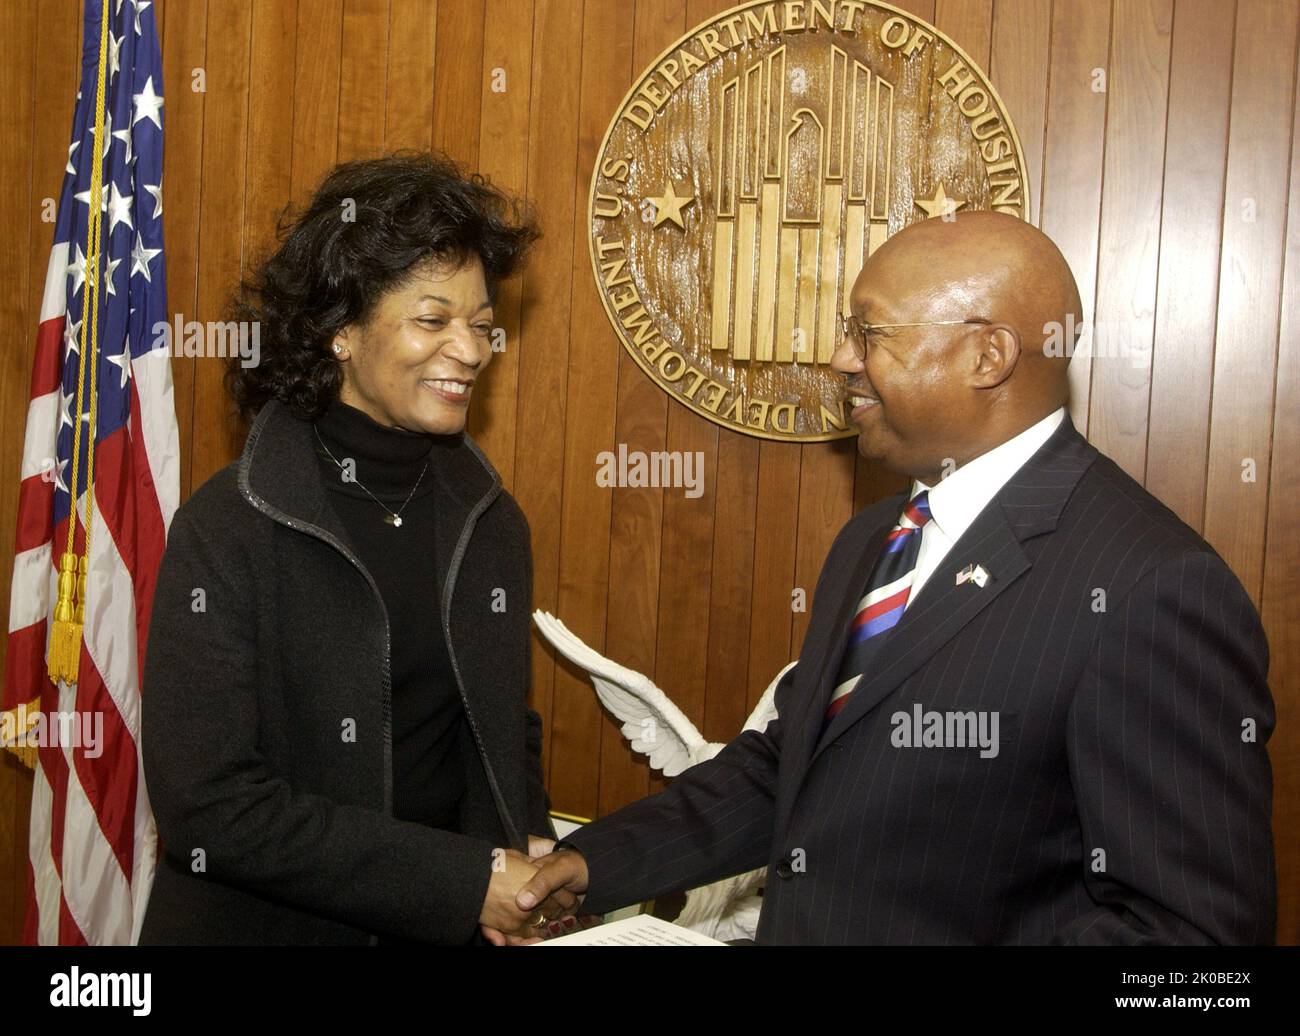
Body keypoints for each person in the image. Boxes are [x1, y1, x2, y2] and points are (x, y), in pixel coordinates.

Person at [505, 210, 1277, 945]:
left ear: (989, 356)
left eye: (868, 332)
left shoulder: (1153, 587)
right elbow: (795, 767)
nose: (841, 358)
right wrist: (591, 865)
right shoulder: (875, 537)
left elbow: (1190, 937)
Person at [138, 153, 571, 945]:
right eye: (433, 320)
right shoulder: (228, 527)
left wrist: (524, 856)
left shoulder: (492, 521)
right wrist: (465, 881)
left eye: (481, 325)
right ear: (340, 330)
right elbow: (212, 808)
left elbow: (500, 729)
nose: (472, 351)